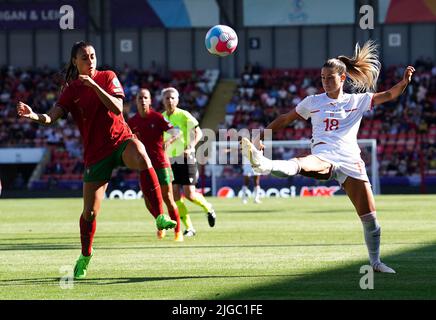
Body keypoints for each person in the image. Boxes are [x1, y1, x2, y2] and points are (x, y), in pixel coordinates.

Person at [241, 41, 415, 273]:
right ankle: (263, 164)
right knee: (301, 163)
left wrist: (403, 83)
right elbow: (285, 118)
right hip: (324, 155)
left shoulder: (357, 101)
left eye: (330, 78)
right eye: (322, 78)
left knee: (370, 219)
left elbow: (390, 94)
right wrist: (261, 135)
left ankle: (375, 263)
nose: (325, 82)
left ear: (343, 78)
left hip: (352, 161)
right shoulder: (313, 102)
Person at [16, 41, 176, 279]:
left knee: (142, 154)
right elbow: (51, 118)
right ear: (75, 62)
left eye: (92, 56)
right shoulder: (70, 91)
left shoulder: (107, 76)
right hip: (96, 154)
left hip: (121, 141)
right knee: (89, 213)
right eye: (84, 57)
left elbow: (118, 108)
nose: (90, 61)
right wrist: (33, 115)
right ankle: (85, 254)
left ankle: (159, 216)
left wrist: (94, 86)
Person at [128, 88, 183, 242]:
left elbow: (176, 132)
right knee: (148, 201)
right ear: (136, 101)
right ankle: (161, 222)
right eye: (140, 98)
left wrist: (169, 141)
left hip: (161, 165)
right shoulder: (132, 122)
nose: (143, 100)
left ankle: (178, 231)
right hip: (144, 167)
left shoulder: (157, 118)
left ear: (150, 100)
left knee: (168, 198)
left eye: (146, 97)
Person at [161, 87, 216, 237]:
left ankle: (208, 208)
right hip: (170, 160)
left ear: (177, 100)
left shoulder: (184, 115)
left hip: (185, 158)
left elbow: (198, 132)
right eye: (167, 98)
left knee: (189, 194)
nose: (170, 100)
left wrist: (191, 147)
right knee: (175, 196)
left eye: (172, 98)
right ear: (163, 100)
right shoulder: (161, 117)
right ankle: (189, 227)